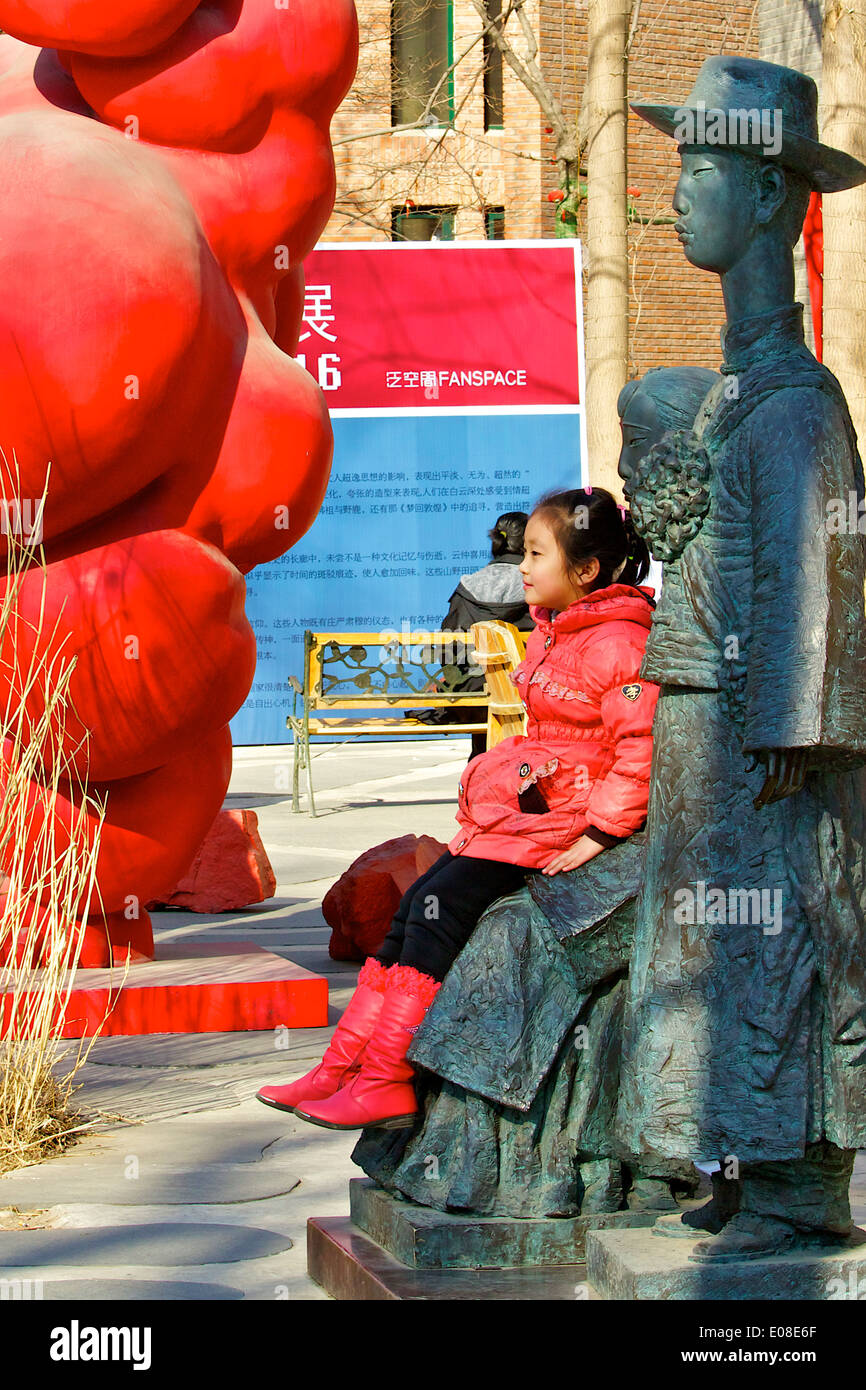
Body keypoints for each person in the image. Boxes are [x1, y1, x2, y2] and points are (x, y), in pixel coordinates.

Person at [617, 55, 866, 1262]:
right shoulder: (727, 396)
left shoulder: (795, 403)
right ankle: (740, 1157)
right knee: (707, 956)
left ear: (771, 194)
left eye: (701, 167)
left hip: (755, 738)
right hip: (701, 725)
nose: (677, 192)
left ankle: (793, 1175)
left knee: (774, 946)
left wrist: (792, 727)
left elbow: (820, 584)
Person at [257, 486, 658, 1133]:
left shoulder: (619, 640)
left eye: (536, 554)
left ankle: (387, 1078)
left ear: (584, 571)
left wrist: (602, 831)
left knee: (440, 917)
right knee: (414, 906)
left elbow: (639, 745)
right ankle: (343, 1067)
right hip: (524, 818)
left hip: (555, 827)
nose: (521, 568)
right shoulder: (556, 631)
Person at [410, 511, 534, 760]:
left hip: (474, 699)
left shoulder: (468, 586)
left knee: (482, 681)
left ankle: (482, 765)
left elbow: (449, 650)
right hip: (529, 694)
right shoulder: (540, 586)